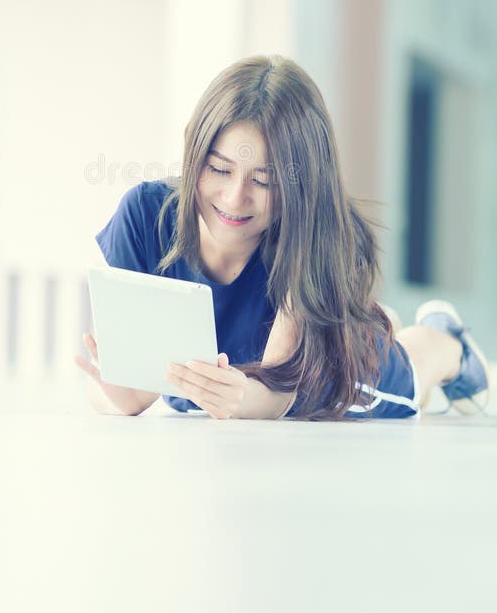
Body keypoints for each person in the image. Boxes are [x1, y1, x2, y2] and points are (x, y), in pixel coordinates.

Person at [75, 55, 491, 420]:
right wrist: (116, 396)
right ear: (193, 151)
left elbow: (278, 388)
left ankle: (448, 342)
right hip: (226, 390)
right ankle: (372, 314)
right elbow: (124, 385)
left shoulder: (310, 233)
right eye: (219, 170)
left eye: (265, 179)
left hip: (314, 376)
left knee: (410, 375)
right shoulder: (145, 213)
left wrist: (237, 400)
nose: (235, 198)